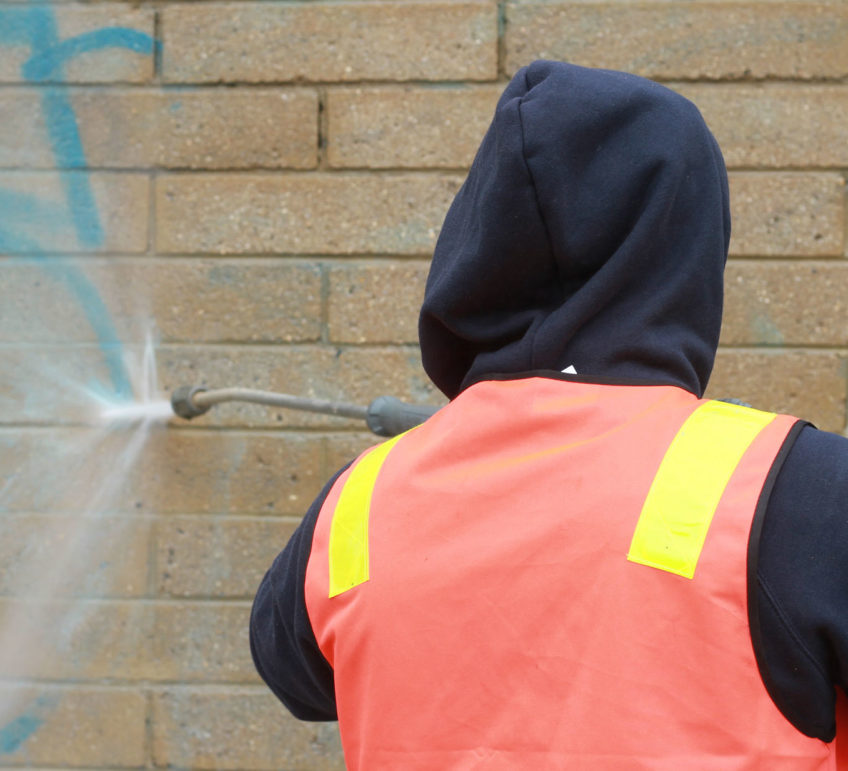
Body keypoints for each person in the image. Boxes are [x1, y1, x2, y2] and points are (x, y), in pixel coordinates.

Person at [249, 60, 848, 768]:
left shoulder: (353, 507)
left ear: (478, 245)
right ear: (682, 247)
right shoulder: (803, 492)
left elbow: (295, 671)